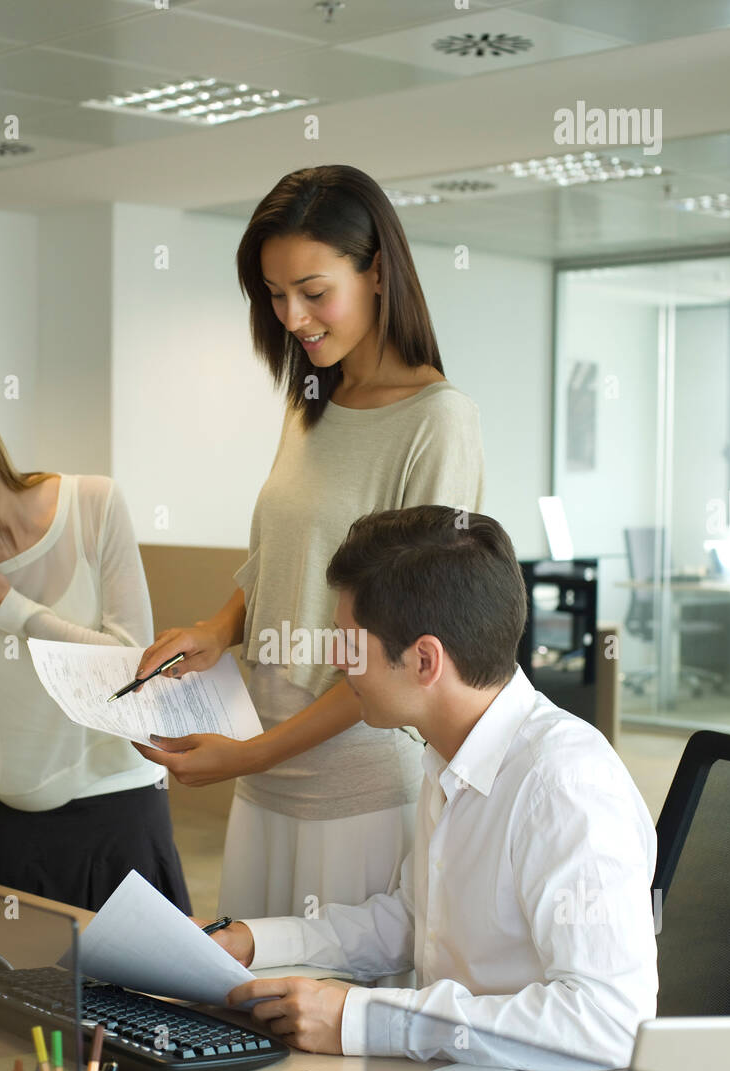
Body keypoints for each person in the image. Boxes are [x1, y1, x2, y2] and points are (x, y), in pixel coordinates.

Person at [133, 164, 484, 924]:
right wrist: (215, 631)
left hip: (350, 776)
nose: (292, 316)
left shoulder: (436, 421)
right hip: (265, 755)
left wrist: (250, 755)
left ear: (378, 272)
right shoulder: (312, 401)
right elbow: (273, 563)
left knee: (328, 1011)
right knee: (244, 997)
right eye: (273, 293)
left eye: (313, 291)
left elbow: (402, 646)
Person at [203, 506, 659, 1071]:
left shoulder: (564, 784)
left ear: (424, 660)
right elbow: (415, 923)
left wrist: (364, 1018)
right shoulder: (449, 749)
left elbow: (610, 1022)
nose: (339, 669)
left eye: (350, 647)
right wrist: (253, 941)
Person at [0, 373, 190, 914]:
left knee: (137, 999)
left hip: (117, 806)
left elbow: (132, 668)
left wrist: (12, 609)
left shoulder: (92, 505)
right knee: (0, 996)